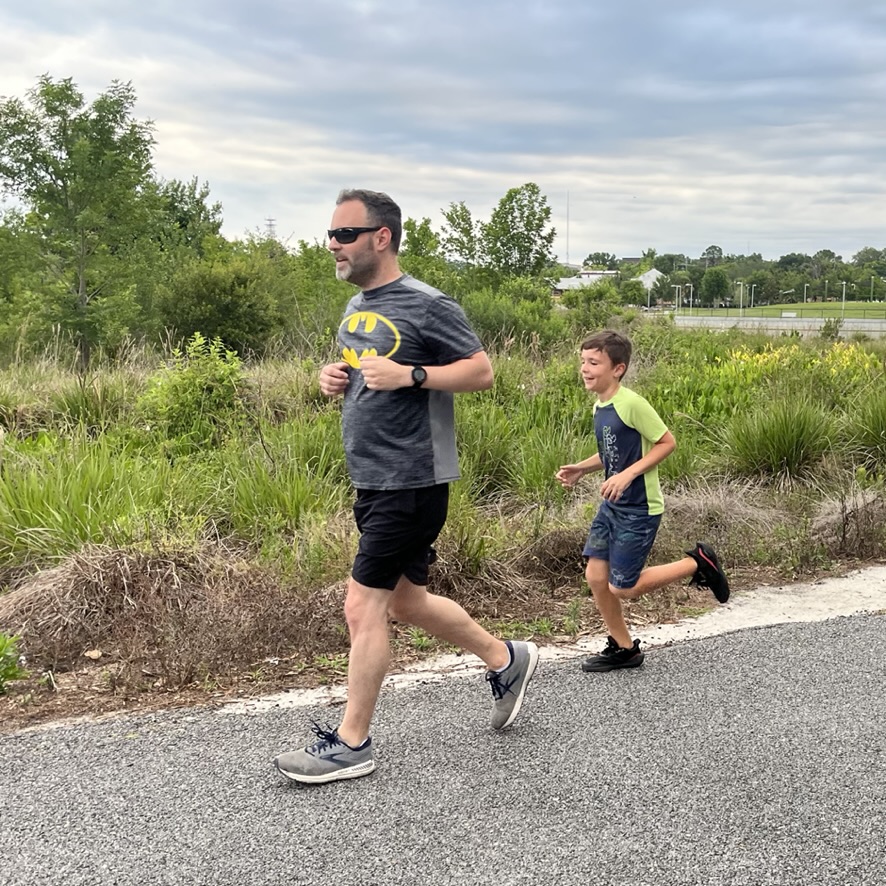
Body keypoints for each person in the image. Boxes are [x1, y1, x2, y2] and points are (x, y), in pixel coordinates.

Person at [274, 189, 538, 784]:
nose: (333, 245)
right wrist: (333, 379)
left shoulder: (428, 304)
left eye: (344, 234)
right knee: (405, 601)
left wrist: (411, 375)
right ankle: (506, 658)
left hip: (412, 477)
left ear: (381, 237)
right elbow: (361, 371)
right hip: (373, 477)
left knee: (361, 605)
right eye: (331, 234)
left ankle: (351, 742)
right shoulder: (355, 305)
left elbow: (481, 371)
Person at [555, 330, 730, 673]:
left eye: (593, 362)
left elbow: (666, 442)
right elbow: (614, 453)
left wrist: (627, 475)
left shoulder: (631, 403)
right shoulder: (601, 404)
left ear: (617, 369)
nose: (585, 369)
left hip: (639, 508)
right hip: (613, 505)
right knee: (595, 575)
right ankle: (625, 648)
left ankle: (698, 563)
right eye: (583, 362)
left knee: (625, 587)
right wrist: (582, 468)